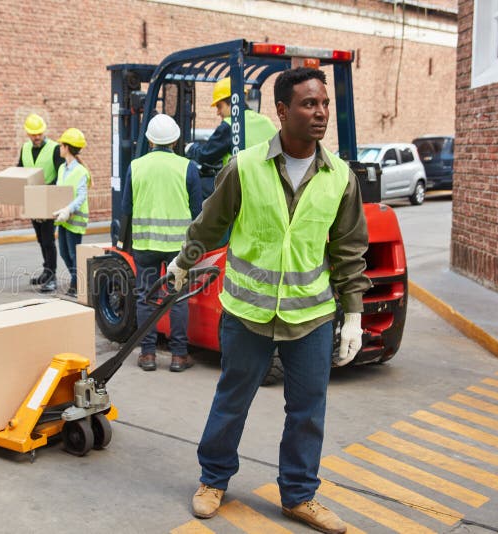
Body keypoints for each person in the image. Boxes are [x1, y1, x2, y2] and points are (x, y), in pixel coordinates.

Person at [167, 67, 371, 534]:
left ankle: (299, 495)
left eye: (323, 104)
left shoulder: (340, 176)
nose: (320, 113)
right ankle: (213, 480)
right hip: (247, 313)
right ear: (282, 110)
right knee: (231, 401)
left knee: (307, 410)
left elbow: (348, 252)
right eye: (308, 104)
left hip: (312, 317)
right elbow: (210, 224)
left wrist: (354, 315)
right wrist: (182, 264)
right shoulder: (245, 166)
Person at [121, 114, 202, 372]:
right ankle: (178, 355)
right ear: (176, 139)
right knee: (176, 297)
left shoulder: (136, 166)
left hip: (145, 244)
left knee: (145, 297)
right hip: (178, 247)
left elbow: (126, 208)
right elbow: (198, 209)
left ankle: (147, 354)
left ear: (149, 139)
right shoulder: (187, 167)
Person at [186, 77, 278, 200]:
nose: (218, 112)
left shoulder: (231, 125)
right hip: (268, 189)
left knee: (200, 187)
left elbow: (205, 155)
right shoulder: (267, 122)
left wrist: (191, 148)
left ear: (231, 102)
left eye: (219, 106)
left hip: (240, 190)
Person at [18, 113, 65, 293]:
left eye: (39, 133)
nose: (36, 137)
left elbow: (61, 174)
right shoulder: (25, 148)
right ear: (28, 134)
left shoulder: (54, 148)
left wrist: (46, 191)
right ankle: (46, 271)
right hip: (32, 199)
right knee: (40, 239)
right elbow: (20, 169)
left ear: (44, 131)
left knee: (48, 239)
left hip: (48, 199)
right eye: (33, 134)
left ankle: (52, 276)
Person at [52, 128, 90, 297]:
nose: (60, 147)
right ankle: (78, 280)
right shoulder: (62, 169)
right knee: (64, 253)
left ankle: (76, 286)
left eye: (61, 145)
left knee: (74, 254)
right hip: (63, 218)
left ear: (67, 147)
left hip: (75, 218)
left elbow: (81, 196)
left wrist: (68, 209)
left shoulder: (81, 171)